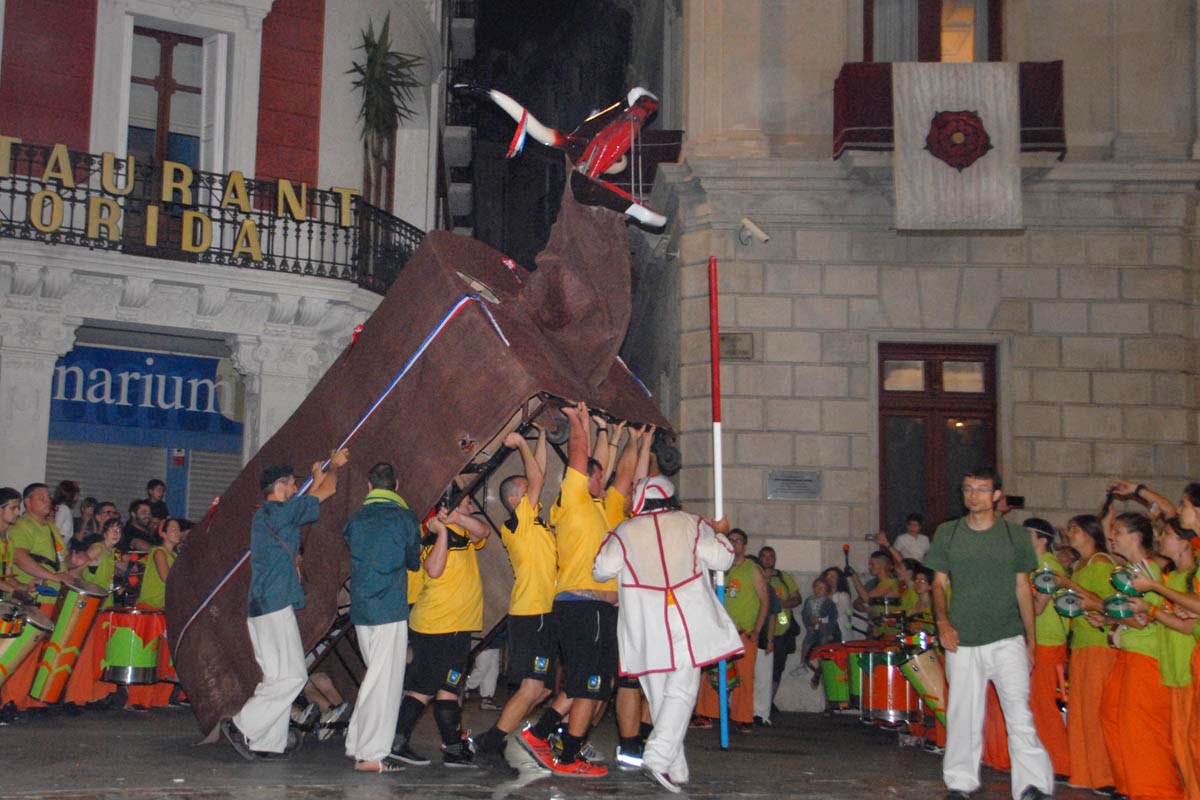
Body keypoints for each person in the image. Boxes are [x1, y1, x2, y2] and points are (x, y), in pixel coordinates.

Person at [593, 475, 742, 794]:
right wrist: (721, 534)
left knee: (661, 695)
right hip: (686, 621)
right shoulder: (692, 523)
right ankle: (659, 759)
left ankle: (675, 767)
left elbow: (601, 568)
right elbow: (724, 558)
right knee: (681, 692)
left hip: (645, 628)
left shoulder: (623, 531)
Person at [925, 466, 1053, 800]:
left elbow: (1023, 586)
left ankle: (1033, 785)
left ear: (997, 495)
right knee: (963, 714)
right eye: (968, 488)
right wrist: (942, 622)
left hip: (1007, 636)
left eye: (982, 489)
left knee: (1019, 711)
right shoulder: (948, 533)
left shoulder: (1014, 536)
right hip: (962, 639)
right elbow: (938, 584)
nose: (973, 496)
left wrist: (1031, 641)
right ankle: (960, 783)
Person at [519, 403, 631, 777]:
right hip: (585, 607)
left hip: (589, 610)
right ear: (585, 479)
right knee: (590, 688)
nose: (604, 479)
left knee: (587, 684)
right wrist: (576, 419)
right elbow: (582, 455)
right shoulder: (575, 496)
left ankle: (542, 734)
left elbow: (619, 474)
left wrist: (627, 437)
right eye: (597, 476)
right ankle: (566, 757)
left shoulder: (598, 508)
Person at [221, 448, 349, 760]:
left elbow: (312, 496)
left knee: (276, 679)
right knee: (293, 677)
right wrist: (334, 467)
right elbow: (329, 490)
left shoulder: (267, 515)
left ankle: (267, 742)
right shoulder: (280, 513)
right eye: (292, 485)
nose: (295, 490)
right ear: (279, 487)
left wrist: (316, 479)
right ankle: (243, 725)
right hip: (275, 605)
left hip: (262, 607)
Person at [473, 427, 558, 760]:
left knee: (546, 688)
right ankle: (491, 742)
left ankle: (506, 735)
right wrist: (521, 442)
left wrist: (540, 435)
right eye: (525, 489)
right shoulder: (518, 522)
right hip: (531, 613)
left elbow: (538, 474)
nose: (535, 489)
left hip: (542, 614)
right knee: (533, 687)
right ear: (514, 500)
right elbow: (535, 480)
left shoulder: (533, 520)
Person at [392, 495, 489, 768]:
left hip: (458, 626)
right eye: (467, 503)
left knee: (449, 687)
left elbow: (484, 531)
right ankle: (396, 741)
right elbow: (434, 570)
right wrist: (443, 531)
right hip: (436, 625)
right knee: (425, 687)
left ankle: (454, 749)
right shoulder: (431, 536)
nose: (472, 508)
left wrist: (456, 519)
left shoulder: (464, 531)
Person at [342, 461, 422, 772]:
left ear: (369, 486)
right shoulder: (405, 518)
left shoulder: (356, 520)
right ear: (397, 485)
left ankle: (357, 741)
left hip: (362, 607)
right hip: (389, 606)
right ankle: (372, 754)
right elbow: (413, 561)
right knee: (385, 681)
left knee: (375, 676)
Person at [1098, 512, 1182, 800]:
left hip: (1145, 657)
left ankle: (1156, 790)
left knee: (1142, 728)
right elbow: (1132, 616)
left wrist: (1104, 610)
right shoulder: (1133, 570)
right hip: (1128, 653)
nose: (1112, 537)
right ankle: (1129, 786)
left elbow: (1146, 619)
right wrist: (1110, 619)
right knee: (1113, 718)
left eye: (1118, 531)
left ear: (1136, 536)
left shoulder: (1149, 573)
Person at [1128, 516, 1199, 800]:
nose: (1161, 539)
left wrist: (1156, 602)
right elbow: (1185, 621)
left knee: (1191, 745)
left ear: (1185, 543)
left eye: (1168, 534)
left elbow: (1189, 626)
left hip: (1187, 665)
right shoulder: (1175, 577)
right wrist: (1154, 612)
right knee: (1182, 746)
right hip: (1173, 665)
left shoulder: (1188, 576)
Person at [691, 527, 767, 734]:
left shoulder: (752, 569)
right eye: (730, 540)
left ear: (744, 545)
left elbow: (764, 600)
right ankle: (707, 714)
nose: (734, 544)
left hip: (743, 631)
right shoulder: (719, 569)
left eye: (738, 540)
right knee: (712, 676)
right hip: (720, 631)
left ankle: (743, 717)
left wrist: (757, 630)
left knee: (743, 676)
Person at [1024, 518, 1070, 780]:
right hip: (1039, 638)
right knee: (1036, 702)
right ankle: (1048, 760)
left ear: (1042, 539)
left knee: (1044, 703)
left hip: (1048, 639)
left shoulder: (1047, 565)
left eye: (1028, 534)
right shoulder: (1035, 566)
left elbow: (1039, 606)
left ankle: (1060, 763)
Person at [758, 546, 801, 718]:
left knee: (777, 668)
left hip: (781, 627)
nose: (768, 559)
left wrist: (781, 604)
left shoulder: (784, 577)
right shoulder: (755, 575)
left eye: (771, 556)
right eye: (764, 556)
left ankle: (768, 703)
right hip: (760, 628)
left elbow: (797, 598)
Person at [800, 577, 839, 686]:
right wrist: (809, 624)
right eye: (817, 587)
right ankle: (803, 663)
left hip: (824, 629)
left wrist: (825, 626)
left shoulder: (828, 602)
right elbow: (804, 614)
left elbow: (833, 617)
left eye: (822, 588)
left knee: (823, 643)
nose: (818, 590)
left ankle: (819, 666)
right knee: (807, 642)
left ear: (827, 591)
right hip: (812, 628)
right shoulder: (809, 601)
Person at [0, 486, 23, 594]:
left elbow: (7, 577)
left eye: (18, 508)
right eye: (13, 508)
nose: (18, 513)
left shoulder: (8, 541)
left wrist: (26, 587)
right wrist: (13, 590)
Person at [52, 480, 80, 546]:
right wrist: (60, 552)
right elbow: (56, 530)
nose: (78, 496)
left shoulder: (64, 508)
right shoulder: (63, 508)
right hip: (59, 549)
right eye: (77, 493)